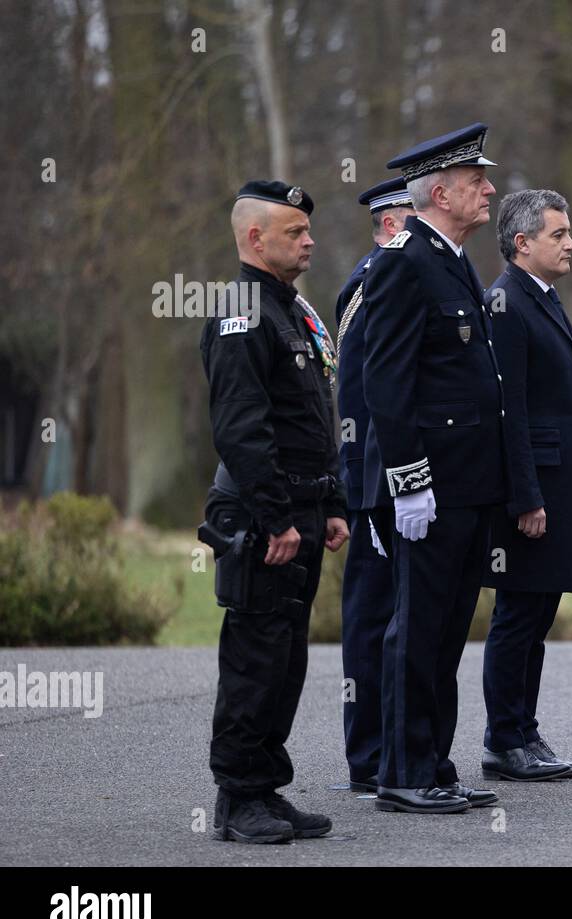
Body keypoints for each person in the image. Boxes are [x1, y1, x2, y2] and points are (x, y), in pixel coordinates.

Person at [199, 179, 349, 843]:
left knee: (287, 658)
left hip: (305, 509)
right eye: (295, 231)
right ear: (256, 238)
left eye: (308, 230)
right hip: (266, 519)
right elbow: (241, 428)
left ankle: (268, 786)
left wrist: (333, 500)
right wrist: (275, 517)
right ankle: (237, 799)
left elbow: (315, 415)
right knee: (255, 657)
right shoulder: (241, 313)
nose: (309, 239)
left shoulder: (292, 311)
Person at [360, 123, 504, 814]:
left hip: (468, 483)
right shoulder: (402, 260)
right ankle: (402, 771)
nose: (491, 190)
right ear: (441, 192)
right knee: (417, 630)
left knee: (446, 633)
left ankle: (433, 762)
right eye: (479, 183)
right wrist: (409, 483)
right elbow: (386, 383)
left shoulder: (450, 258)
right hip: (432, 485)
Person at [481, 189, 572, 781]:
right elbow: (510, 410)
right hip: (535, 490)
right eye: (559, 234)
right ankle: (504, 740)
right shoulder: (506, 302)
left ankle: (525, 731)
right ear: (522, 243)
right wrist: (526, 496)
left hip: (557, 481)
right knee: (519, 614)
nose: (570, 243)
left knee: (538, 613)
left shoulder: (539, 297)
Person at [335, 176, 411, 792]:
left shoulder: (395, 278)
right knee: (371, 615)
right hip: (372, 479)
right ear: (391, 224)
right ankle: (369, 756)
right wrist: (365, 482)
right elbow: (360, 393)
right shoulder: (372, 283)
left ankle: (393, 750)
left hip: (386, 475)